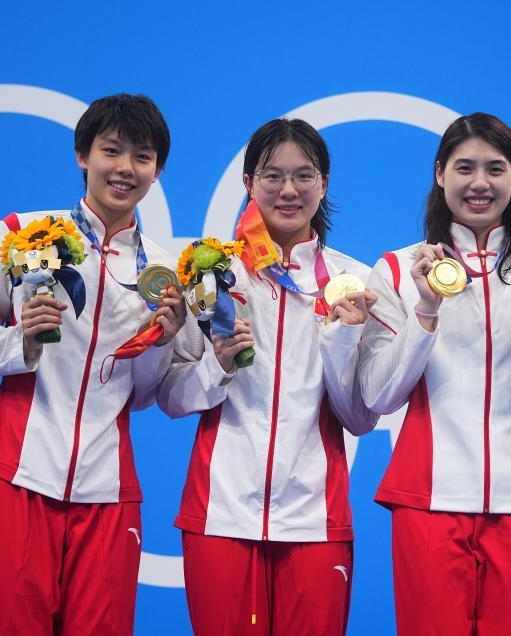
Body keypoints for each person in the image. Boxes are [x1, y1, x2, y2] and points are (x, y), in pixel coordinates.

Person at [0, 93, 196, 636]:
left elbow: (144, 394)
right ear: (83, 155)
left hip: (107, 494)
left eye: (143, 157)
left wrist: (162, 341)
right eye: (112, 150)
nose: (125, 168)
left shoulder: (162, 271)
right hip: (16, 476)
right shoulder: (23, 233)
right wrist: (22, 345)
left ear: (157, 171)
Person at [357, 112, 511, 636]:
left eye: (495, 168)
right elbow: (378, 396)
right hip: (428, 502)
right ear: (440, 174)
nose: (480, 183)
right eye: (465, 168)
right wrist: (425, 310)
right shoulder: (398, 270)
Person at [156, 117, 379, 636]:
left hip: (315, 519)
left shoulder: (353, 283)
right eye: (272, 175)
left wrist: (343, 338)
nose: (288, 190)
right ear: (248, 183)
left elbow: (360, 418)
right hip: (220, 511)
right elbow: (171, 397)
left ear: (324, 184)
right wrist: (218, 365)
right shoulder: (210, 275)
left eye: (304, 175)